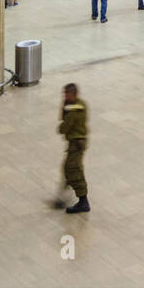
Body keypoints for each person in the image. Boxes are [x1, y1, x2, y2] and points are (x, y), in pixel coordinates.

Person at [53, 83, 90, 214]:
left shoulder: (75, 110)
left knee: (74, 170)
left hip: (77, 144)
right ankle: (65, 194)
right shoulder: (80, 104)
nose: (64, 97)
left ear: (73, 94)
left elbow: (63, 127)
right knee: (68, 168)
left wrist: (64, 108)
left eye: (66, 94)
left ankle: (83, 202)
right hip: (75, 143)